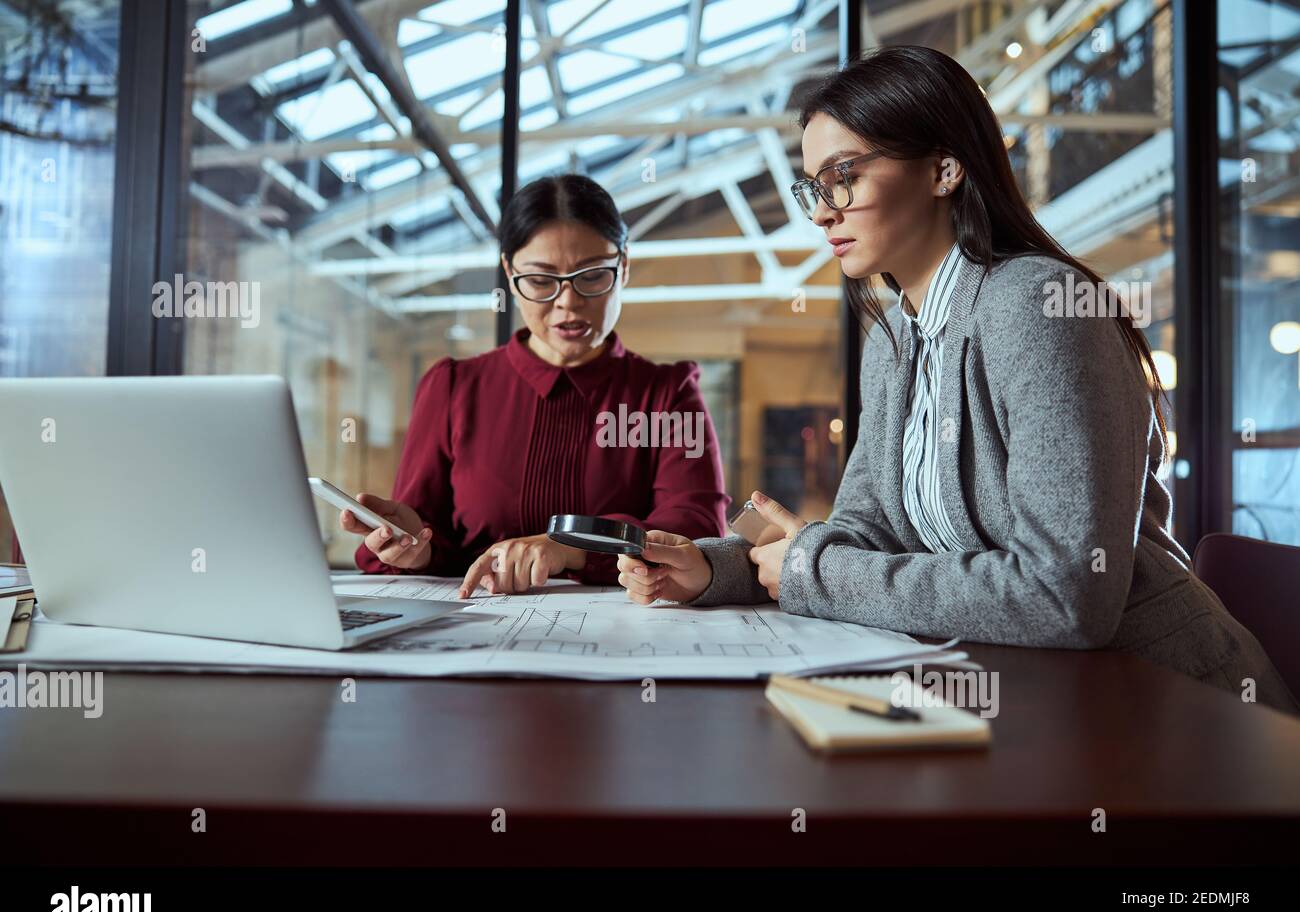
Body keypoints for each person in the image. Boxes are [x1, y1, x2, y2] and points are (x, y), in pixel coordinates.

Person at [614, 46, 1298, 713]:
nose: (822, 212)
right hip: (1032, 701)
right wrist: (720, 570)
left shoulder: (1037, 307)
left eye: (842, 176)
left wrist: (812, 570)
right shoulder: (894, 342)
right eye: (812, 189)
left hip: (1174, 715)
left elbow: (1065, 595)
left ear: (944, 168)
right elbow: (869, 527)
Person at [345, 174, 728, 598]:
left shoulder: (669, 395)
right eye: (542, 281)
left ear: (624, 265)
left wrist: (572, 546)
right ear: (510, 273)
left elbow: (696, 527)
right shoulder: (453, 387)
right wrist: (415, 550)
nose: (568, 301)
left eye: (593, 275)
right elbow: (430, 538)